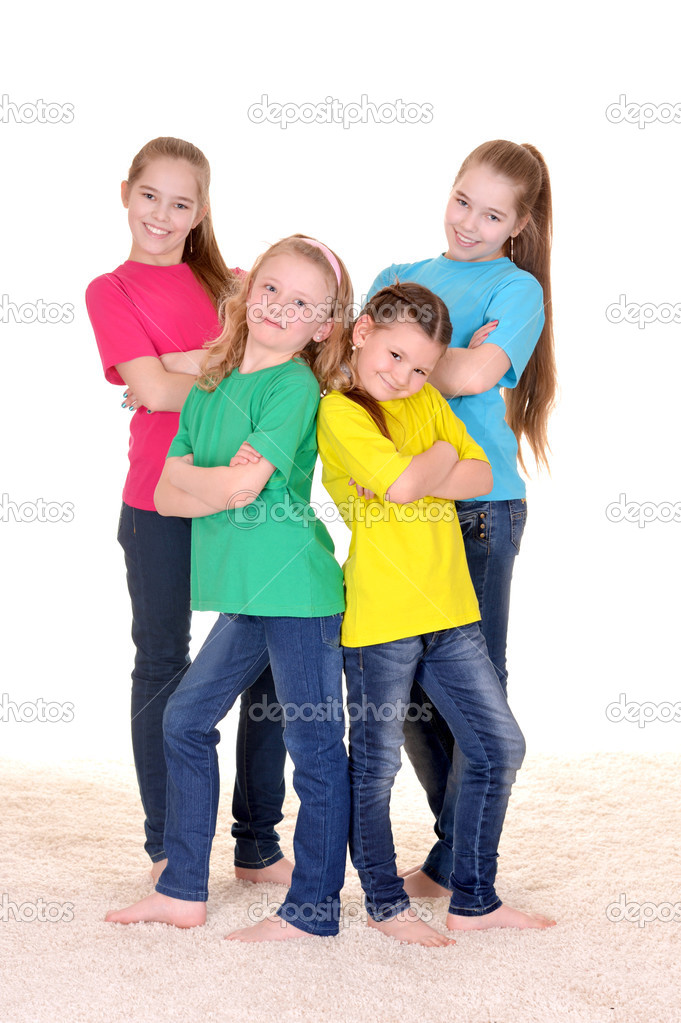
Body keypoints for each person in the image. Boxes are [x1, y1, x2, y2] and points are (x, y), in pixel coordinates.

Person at [105, 234, 352, 942]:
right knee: (184, 721)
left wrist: (209, 480)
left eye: (301, 303)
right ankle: (182, 888)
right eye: (270, 288)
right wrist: (215, 482)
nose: (279, 307)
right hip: (246, 596)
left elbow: (241, 487)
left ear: (322, 327)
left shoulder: (292, 386)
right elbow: (166, 492)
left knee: (313, 747)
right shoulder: (211, 386)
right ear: (246, 293)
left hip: (296, 594)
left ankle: (312, 910)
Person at [316, 281, 555, 945]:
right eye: (394, 356)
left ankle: (473, 897)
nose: (404, 378)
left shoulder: (425, 401)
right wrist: (430, 465)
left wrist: (426, 467)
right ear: (363, 331)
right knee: (375, 768)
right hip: (383, 618)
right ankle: (384, 903)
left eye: (421, 369)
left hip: (450, 609)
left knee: (498, 746)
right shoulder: (340, 412)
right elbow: (402, 486)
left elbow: (481, 476)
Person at [85, 137, 290, 886]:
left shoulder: (235, 283)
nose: (162, 215)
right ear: (125, 193)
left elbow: (285, 358)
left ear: (201, 211)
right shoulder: (110, 290)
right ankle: (169, 841)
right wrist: (218, 364)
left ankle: (256, 842)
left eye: (180, 203)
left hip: (241, 493)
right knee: (164, 662)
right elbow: (155, 391)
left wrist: (174, 366)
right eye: (150, 196)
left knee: (270, 655)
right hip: (157, 499)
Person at [365, 141, 556, 898]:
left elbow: (474, 373)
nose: (469, 223)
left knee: (473, 690)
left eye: (492, 215)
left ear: (519, 225)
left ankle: (463, 864)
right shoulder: (395, 275)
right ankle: (456, 852)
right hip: (408, 505)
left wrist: (400, 354)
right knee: (408, 682)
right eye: (462, 200)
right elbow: (357, 370)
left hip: (481, 507)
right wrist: (435, 362)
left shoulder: (517, 289)